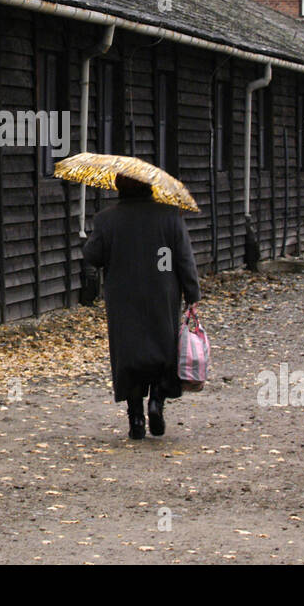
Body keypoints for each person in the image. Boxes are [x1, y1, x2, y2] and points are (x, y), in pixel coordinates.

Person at [82, 174, 201, 440]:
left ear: (118, 187)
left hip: (124, 297)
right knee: (163, 350)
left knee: (129, 354)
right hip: (162, 294)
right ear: (150, 186)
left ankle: (135, 416)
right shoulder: (171, 216)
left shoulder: (107, 219)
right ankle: (157, 401)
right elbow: (183, 258)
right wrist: (192, 293)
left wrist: (89, 238)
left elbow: (93, 256)